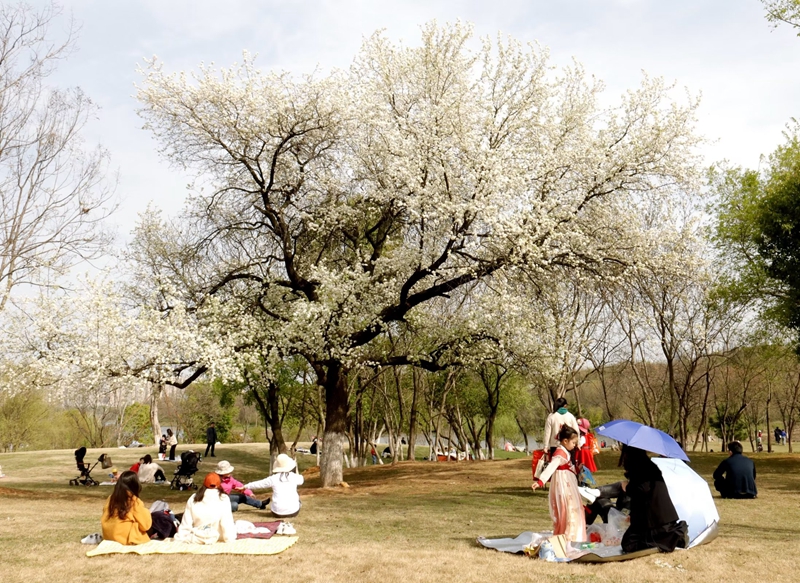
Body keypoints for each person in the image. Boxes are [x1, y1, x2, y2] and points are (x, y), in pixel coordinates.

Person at [618, 445, 687, 553]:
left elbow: (642, 490)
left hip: (654, 519)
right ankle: (670, 537)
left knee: (629, 544)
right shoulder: (648, 465)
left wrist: (628, 487)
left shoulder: (640, 468)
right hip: (662, 517)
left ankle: (670, 538)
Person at [531, 426, 587, 542]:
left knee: (571, 507)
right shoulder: (560, 453)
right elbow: (551, 467)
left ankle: (573, 534)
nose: (574, 445)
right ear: (565, 441)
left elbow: (568, 466)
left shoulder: (565, 452)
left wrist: (577, 469)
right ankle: (569, 535)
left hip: (568, 481)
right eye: (573, 442)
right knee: (568, 507)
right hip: (563, 483)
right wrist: (541, 481)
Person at [175, 473, 236, 544]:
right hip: (217, 536)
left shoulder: (194, 497)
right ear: (219, 484)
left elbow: (186, 523)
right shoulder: (224, 498)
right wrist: (230, 540)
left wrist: (180, 537)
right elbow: (226, 523)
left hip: (197, 535)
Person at [244, 453, 305, 518]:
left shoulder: (273, 478)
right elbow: (301, 480)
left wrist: (245, 486)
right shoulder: (294, 477)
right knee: (298, 500)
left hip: (277, 512)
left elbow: (260, 483)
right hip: (293, 512)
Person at [101, 470, 152, 545]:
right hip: (125, 537)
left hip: (109, 536)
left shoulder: (111, 498)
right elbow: (145, 525)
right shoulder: (134, 501)